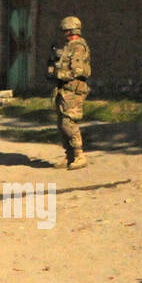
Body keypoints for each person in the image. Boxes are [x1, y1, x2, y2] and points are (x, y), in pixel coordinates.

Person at [47, 15, 91, 169]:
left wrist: (58, 74)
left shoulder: (78, 47)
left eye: (65, 30)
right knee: (61, 123)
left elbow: (78, 71)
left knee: (68, 122)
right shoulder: (68, 47)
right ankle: (69, 156)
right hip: (63, 89)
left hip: (73, 89)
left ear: (68, 30)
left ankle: (80, 156)